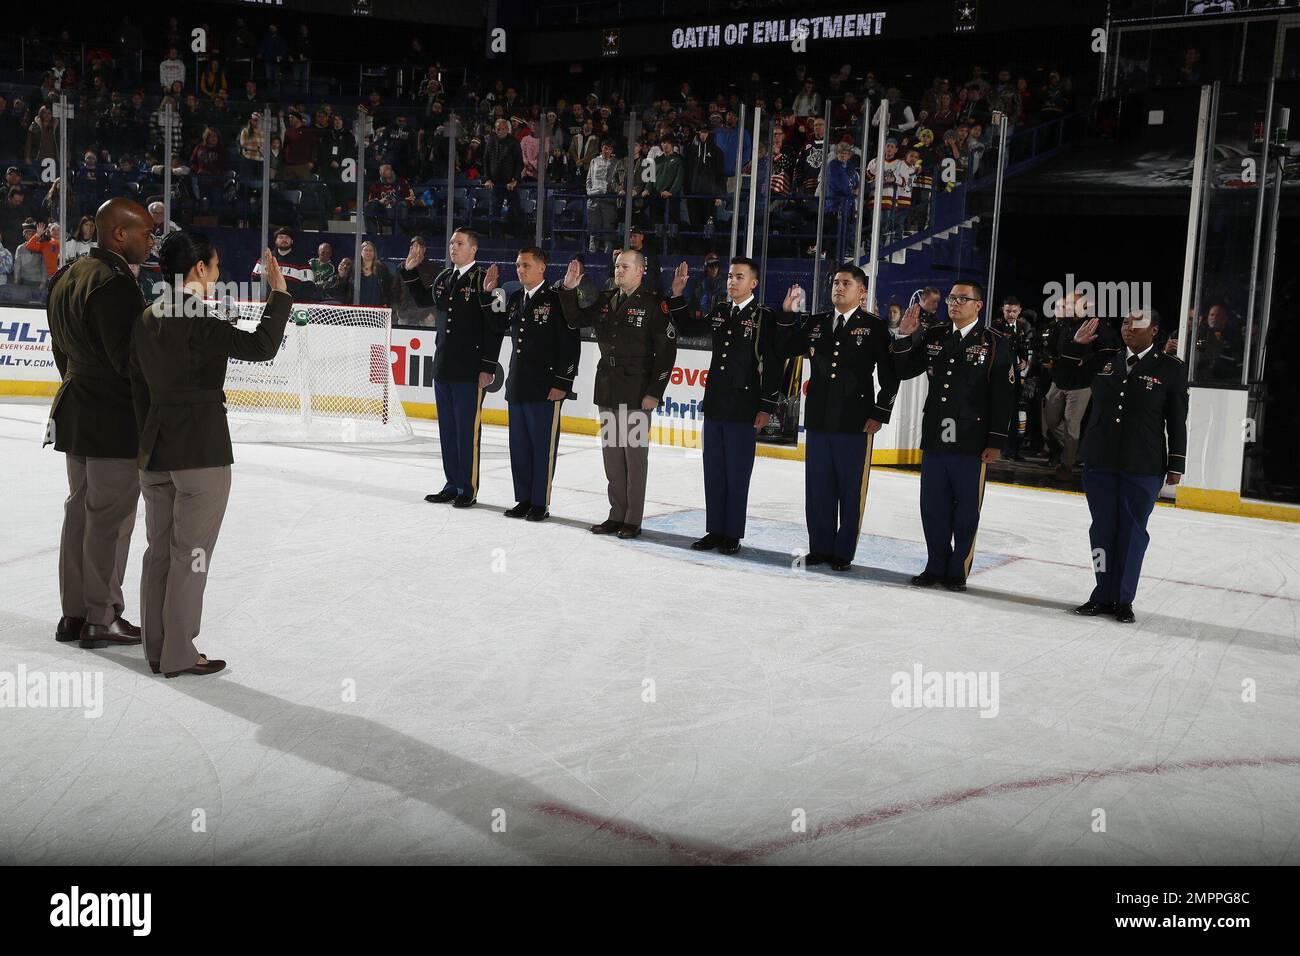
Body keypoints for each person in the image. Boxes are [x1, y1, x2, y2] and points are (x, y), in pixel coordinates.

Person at [130, 239, 291, 677]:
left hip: (155, 448)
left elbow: (138, 388)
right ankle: (179, 653)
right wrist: (279, 295)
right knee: (191, 554)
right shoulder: (197, 316)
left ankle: (157, 647)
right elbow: (261, 347)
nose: (219, 272)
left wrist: (146, 441)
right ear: (199, 268)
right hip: (199, 449)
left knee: (159, 552)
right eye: (216, 265)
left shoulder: (148, 316)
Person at [43, 197, 153, 648]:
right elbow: (129, 362)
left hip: (74, 408)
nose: (151, 240)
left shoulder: (66, 276)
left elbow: (61, 355)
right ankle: (102, 616)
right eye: (145, 232)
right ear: (119, 234)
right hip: (112, 418)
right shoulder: (115, 284)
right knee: (109, 517)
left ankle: (75, 614)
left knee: (80, 511)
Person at [1052, 310, 1188, 624]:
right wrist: (1075, 347)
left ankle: (1123, 599)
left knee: (1131, 533)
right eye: (1125, 322)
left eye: (1136, 323)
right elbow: (1065, 379)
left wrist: (1176, 463)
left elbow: (1177, 421)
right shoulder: (1105, 359)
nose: (1128, 327)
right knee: (1102, 529)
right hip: (1100, 459)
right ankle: (1102, 594)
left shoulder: (1171, 369)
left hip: (1143, 463)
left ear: (1154, 330)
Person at [892, 280, 1014, 591]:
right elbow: (904, 370)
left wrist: (996, 440)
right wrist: (905, 336)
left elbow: (1004, 395)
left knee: (965, 510)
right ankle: (934, 566)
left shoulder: (995, 342)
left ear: (978, 305)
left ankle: (957, 570)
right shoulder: (935, 336)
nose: (955, 303)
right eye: (951, 298)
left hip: (971, 439)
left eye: (963, 298)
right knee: (933, 507)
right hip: (935, 434)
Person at [778, 266, 899, 571]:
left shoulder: (873, 327)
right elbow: (786, 347)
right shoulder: (817, 323)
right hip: (819, 418)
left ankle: (843, 552)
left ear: (862, 291)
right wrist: (787, 314)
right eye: (835, 282)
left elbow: (890, 375)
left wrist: (879, 413)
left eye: (846, 283)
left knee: (849, 489)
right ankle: (819, 547)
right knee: (818, 488)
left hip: (854, 420)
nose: (839, 288)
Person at [558, 249, 684, 538]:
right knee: (613, 458)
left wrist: (655, 391)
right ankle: (616, 514)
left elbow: (666, 352)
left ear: (640, 271)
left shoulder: (653, 304)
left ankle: (632, 519)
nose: (619, 271)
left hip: (637, 390)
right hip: (608, 387)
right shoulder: (605, 300)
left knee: (634, 459)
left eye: (625, 266)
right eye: (617, 266)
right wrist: (569, 289)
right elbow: (575, 319)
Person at [668, 257, 781, 554]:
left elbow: (772, 365)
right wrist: (678, 295)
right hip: (716, 403)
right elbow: (690, 328)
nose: (732, 281)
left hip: (744, 406)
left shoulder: (763, 317)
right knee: (714, 471)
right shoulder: (720, 311)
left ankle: (732, 533)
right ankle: (715, 530)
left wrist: (766, 406)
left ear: (753, 283)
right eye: (730, 276)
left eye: (739, 277)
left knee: (737, 472)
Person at [398, 231, 496, 506]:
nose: (453, 247)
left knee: (467, 432)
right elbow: (423, 300)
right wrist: (410, 270)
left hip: (470, 369)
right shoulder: (444, 277)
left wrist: (487, 366)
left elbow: (492, 328)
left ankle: (467, 488)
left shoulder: (482, 279)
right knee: (448, 431)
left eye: (460, 243)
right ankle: (451, 483)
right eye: (452, 243)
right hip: (443, 366)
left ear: (473, 249)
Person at [491, 247, 580, 521]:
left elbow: (570, 344)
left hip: (546, 388)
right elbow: (496, 326)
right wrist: (488, 294)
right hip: (518, 385)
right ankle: (524, 499)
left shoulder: (556, 299)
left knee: (542, 448)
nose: (520, 270)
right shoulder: (516, 297)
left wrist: (563, 382)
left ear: (542, 267)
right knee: (519, 447)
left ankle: (540, 503)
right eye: (518, 265)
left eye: (526, 265)